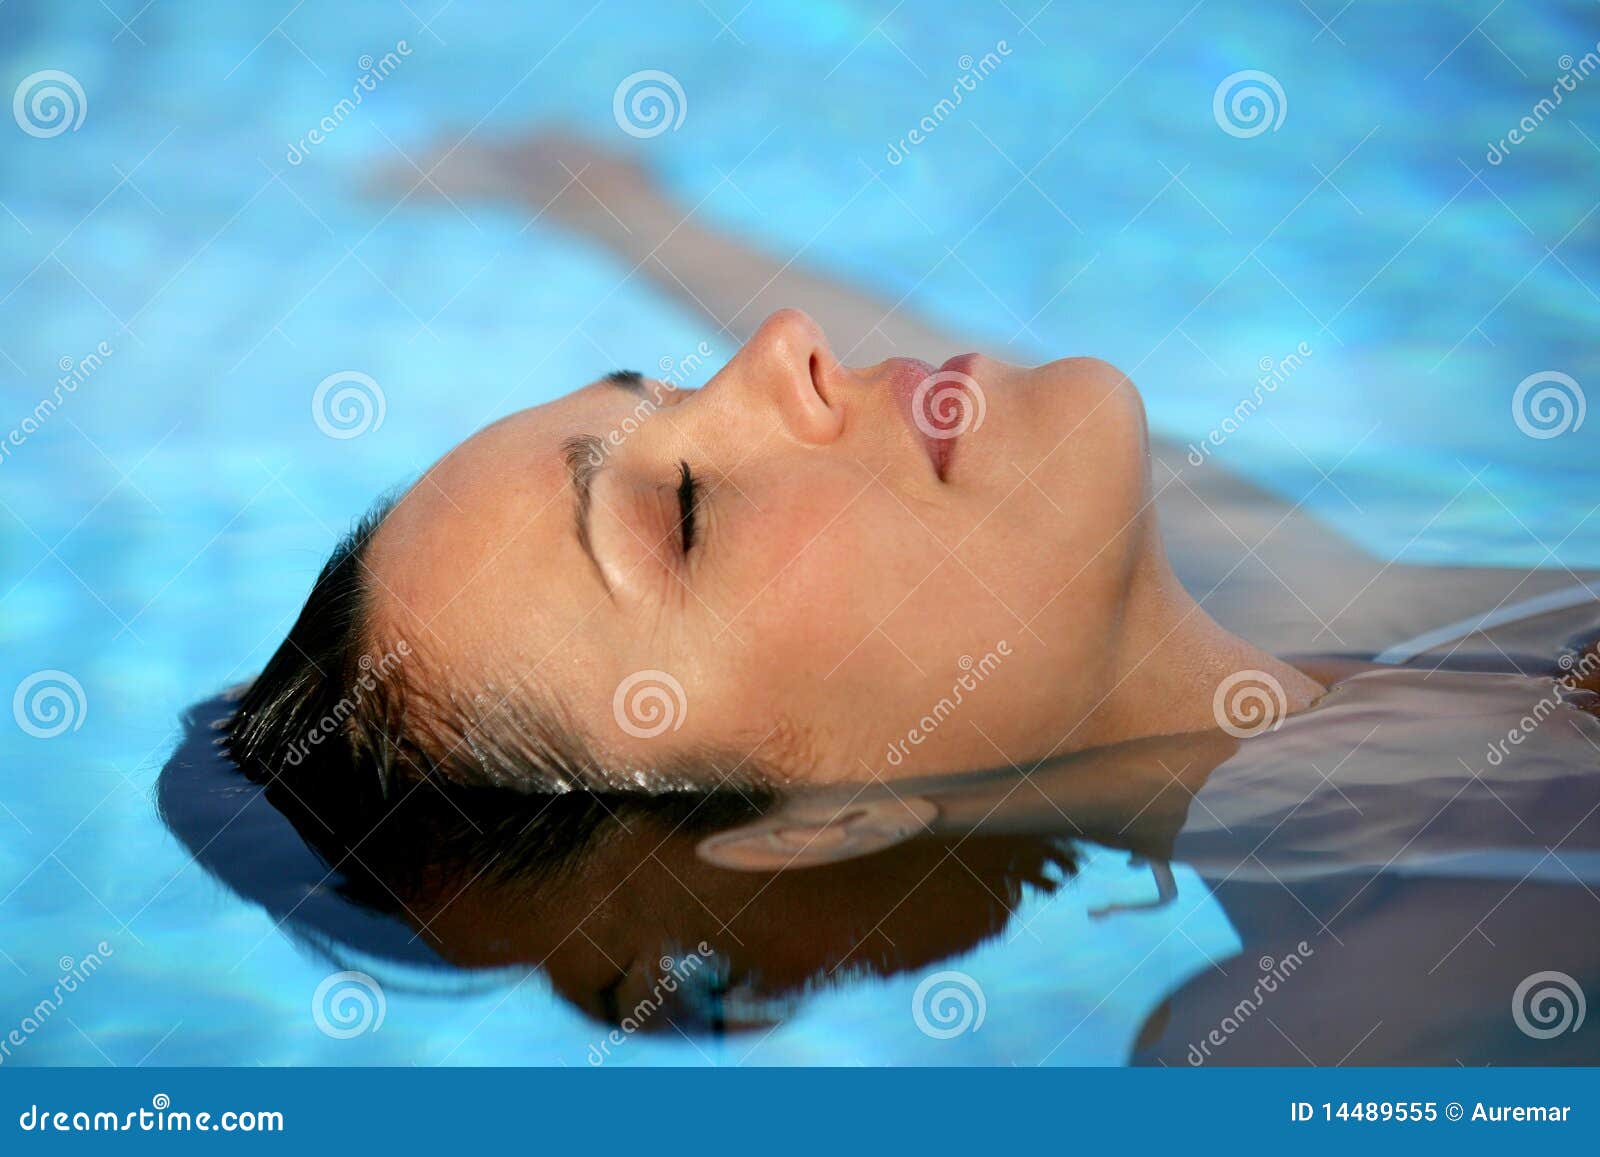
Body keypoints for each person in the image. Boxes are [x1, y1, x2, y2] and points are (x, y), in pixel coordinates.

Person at [206, 129, 1600, 1060]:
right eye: (681, 516)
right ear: (825, 825)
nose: (783, 350)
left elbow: (880, 351)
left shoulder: (1318, 603)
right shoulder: (1328, 1027)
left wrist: (608, 199)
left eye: (675, 387)